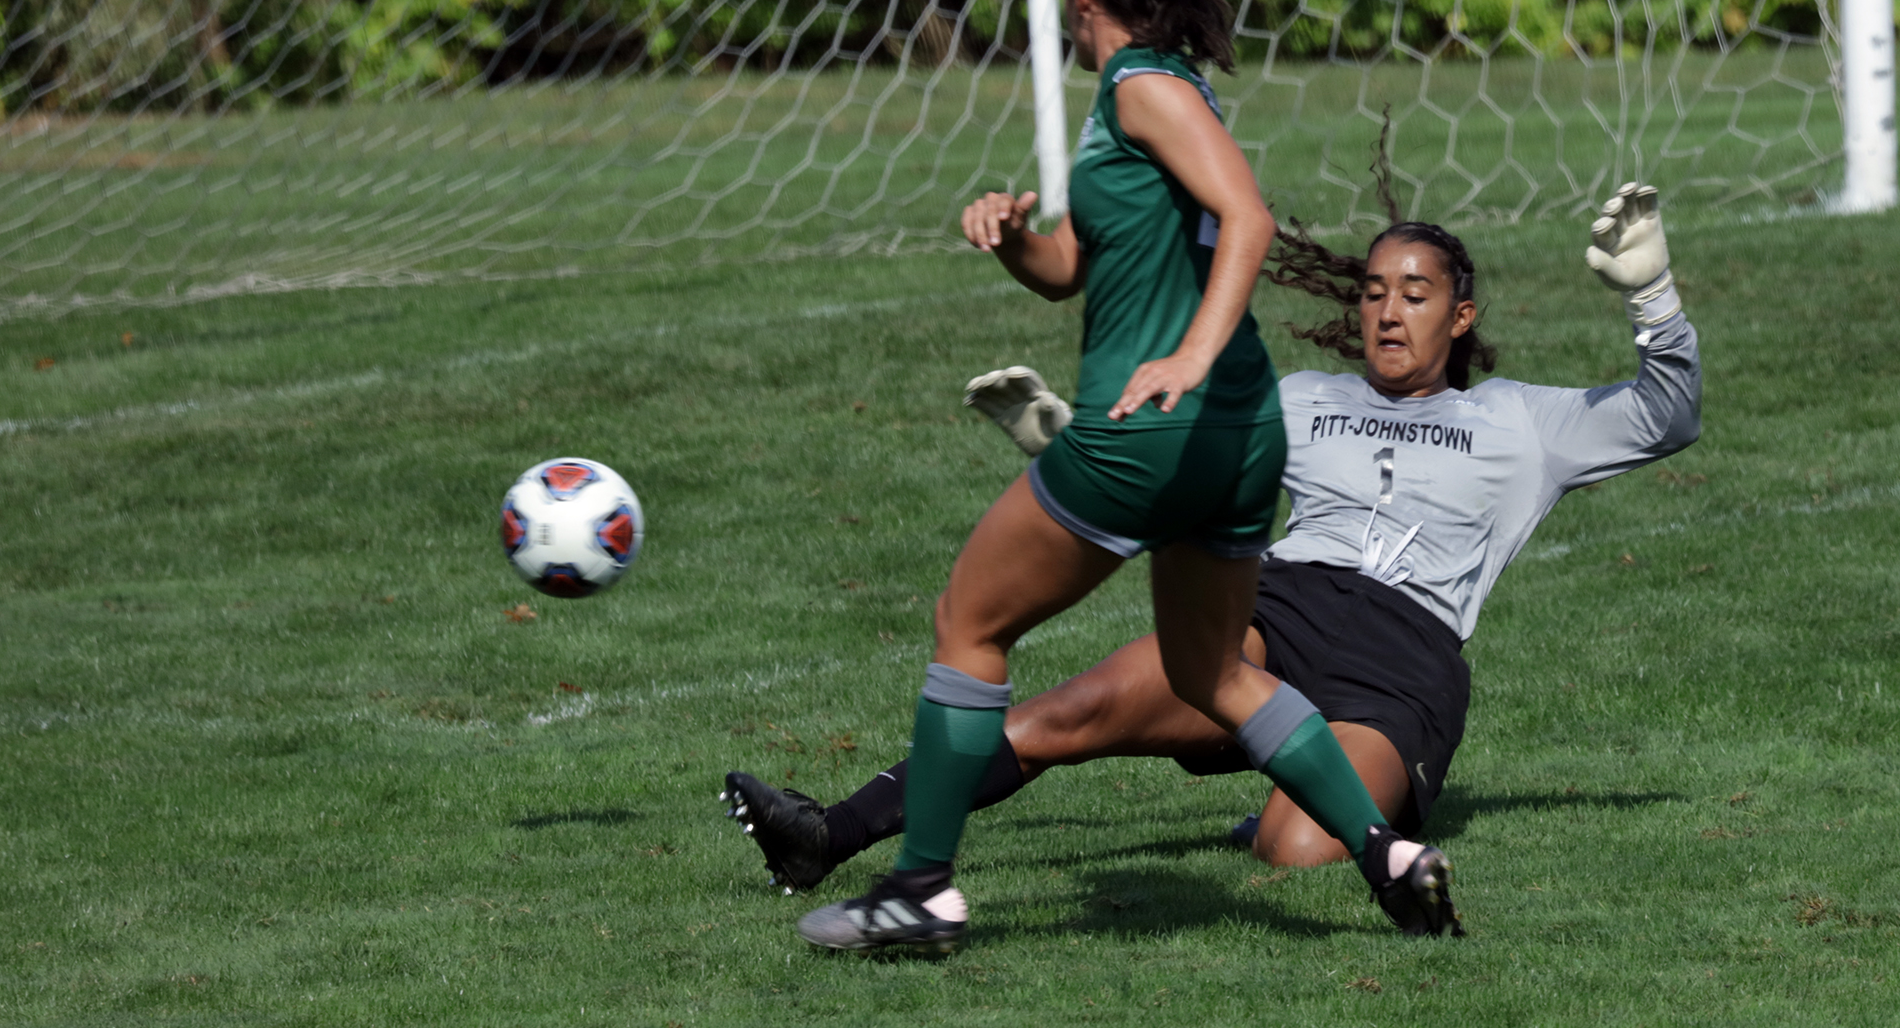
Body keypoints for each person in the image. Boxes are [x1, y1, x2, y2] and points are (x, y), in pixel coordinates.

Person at [728, 179, 1700, 920]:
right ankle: (825, 834)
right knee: (1068, 712)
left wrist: (1650, 287)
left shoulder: (1521, 421)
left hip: (1403, 666)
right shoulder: (1301, 401)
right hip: (1269, 619)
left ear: (1462, 315)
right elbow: (1185, 483)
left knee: (1292, 848)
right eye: (1373, 292)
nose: (1389, 311)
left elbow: (1669, 414)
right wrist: (1071, 448)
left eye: (1415, 292)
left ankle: (1328, 788)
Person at [779, 0, 1458, 953]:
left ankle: (921, 888)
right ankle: (1386, 855)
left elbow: (1248, 217)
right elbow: (1071, 273)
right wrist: (1011, 231)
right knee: (1211, 675)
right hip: (1235, 438)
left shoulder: (1139, 86)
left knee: (970, 618)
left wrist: (1188, 352)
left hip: (1152, 426)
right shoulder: (1160, 93)